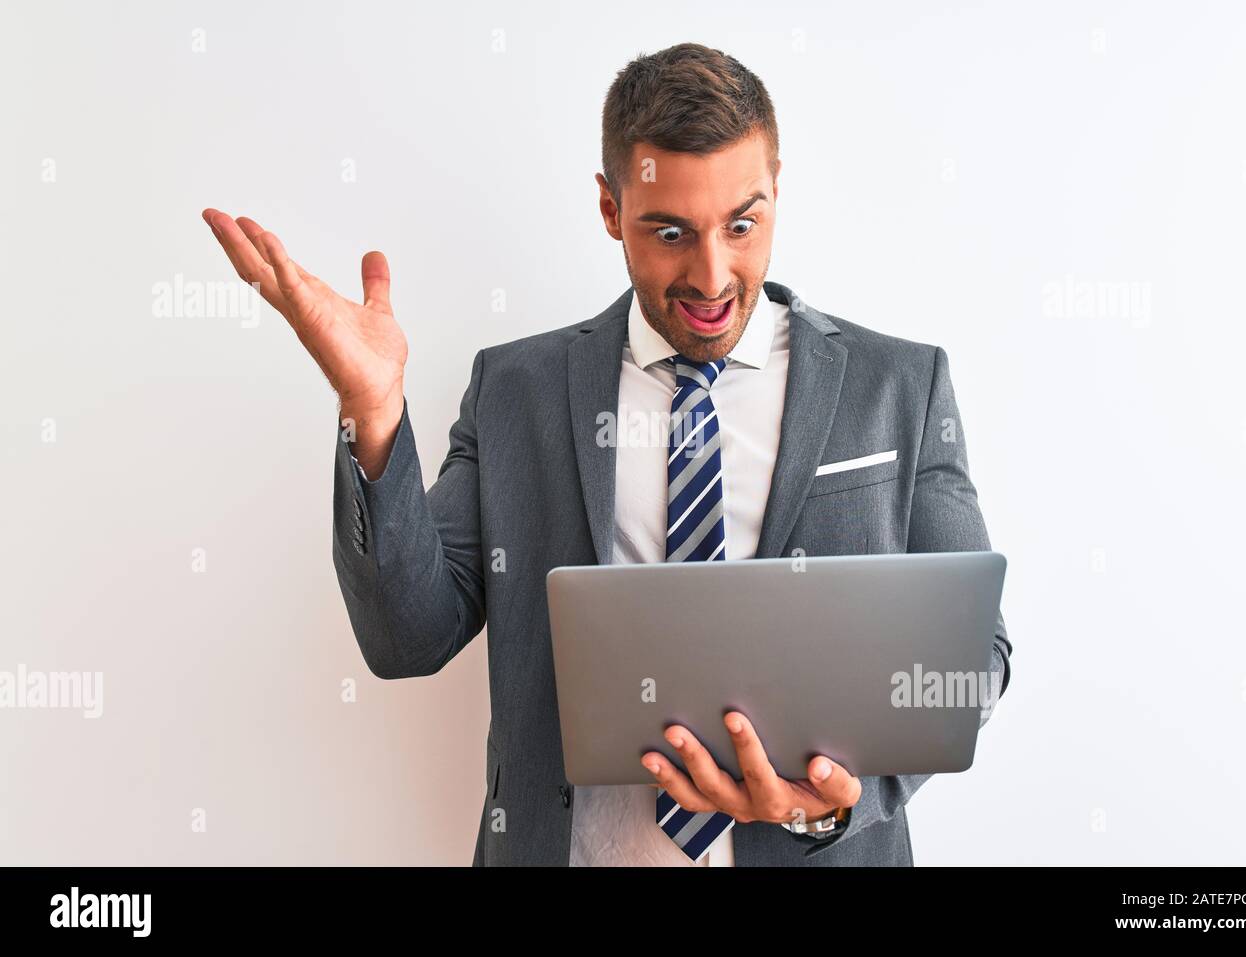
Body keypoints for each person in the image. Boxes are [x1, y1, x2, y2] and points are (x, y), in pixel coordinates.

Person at [201, 41, 1011, 867]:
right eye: (671, 232)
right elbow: (407, 637)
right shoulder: (516, 390)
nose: (713, 274)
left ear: (776, 190)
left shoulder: (901, 386)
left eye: (743, 223)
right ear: (610, 208)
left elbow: (975, 661)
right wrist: (374, 413)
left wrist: (835, 800)